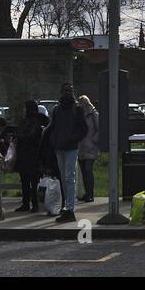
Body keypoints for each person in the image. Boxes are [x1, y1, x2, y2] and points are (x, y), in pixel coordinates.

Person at [46, 84, 87, 223]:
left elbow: (83, 129)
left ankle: (70, 208)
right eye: (65, 91)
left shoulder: (77, 109)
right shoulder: (57, 109)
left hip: (70, 147)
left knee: (69, 177)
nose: (67, 93)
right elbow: (53, 127)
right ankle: (67, 206)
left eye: (69, 91)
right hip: (60, 147)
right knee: (64, 177)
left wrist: (72, 138)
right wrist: (54, 140)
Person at [13, 101, 48, 211]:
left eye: (25, 108)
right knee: (26, 181)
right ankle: (27, 203)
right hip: (25, 155)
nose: (23, 110)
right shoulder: (29, 121)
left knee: (32, 181)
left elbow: (31, 137)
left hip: (32, 155)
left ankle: (33, 204)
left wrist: (18, 137)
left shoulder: (34, 122)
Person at [76, 94, 99, 203]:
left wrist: (94, 140)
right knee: (83, 171)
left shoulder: (93, 114)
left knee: (88, 170)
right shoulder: (79, 115)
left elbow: (99, 129)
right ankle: (87, 193)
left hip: (90, 146)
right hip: (81, 147)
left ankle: (91, 194)